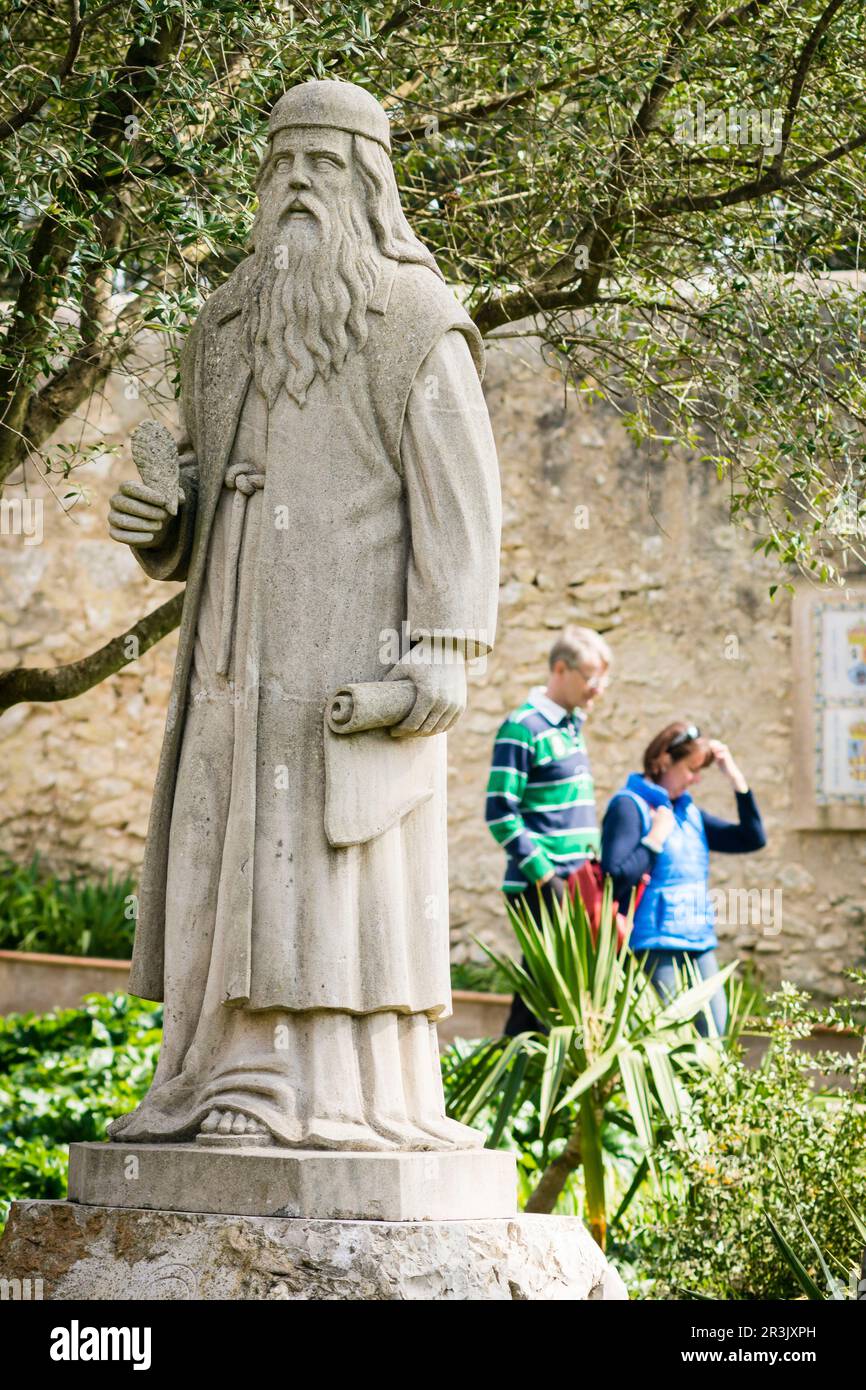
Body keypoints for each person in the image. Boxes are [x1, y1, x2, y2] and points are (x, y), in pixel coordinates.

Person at [105, 80, 501, 1153]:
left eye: (321, 167)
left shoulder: (416, 321)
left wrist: (443, 647)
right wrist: (162, 517)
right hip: (230, 652)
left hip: (347, 645)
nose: (296, 186)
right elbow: (195, 489)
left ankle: (316, 1095)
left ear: (367, 184)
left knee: (330, 868)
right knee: (221, 841)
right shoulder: (225, 323)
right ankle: (202, 1073)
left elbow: (459, 500)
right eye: (280, 166)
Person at [601, 722, 766, 1036]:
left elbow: (751, 838)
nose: (696, 779)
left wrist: (734, 777)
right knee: (666, 1038)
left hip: (698, 940)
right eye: (691, 769)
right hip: (653, 944)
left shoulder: (688, 813)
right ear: (665, 761)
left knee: (715, 1034)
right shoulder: (629, 806)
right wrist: (653, 839)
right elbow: (615, 876)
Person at [485, 626, 611, 1035]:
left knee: (554, 996)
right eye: (591, 677)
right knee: (543, 995)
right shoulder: (523, 727)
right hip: (543, 884)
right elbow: (500, 811)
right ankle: (514, 1081)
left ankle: (525, 1087)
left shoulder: (571, 726)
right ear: (561, 668)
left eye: (602, 679)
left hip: (577, 879)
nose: (598, 689)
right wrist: (545, 876)